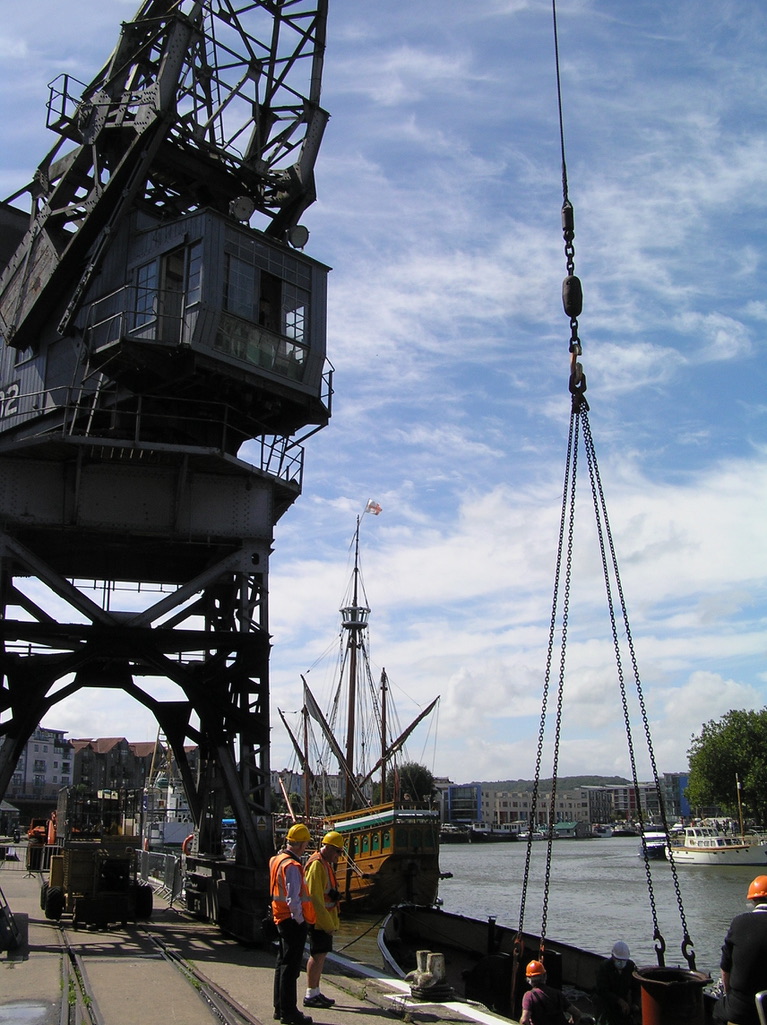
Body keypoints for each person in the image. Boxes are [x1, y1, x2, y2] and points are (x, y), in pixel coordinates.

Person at [270, 822, 317, 1025]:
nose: (306, 848)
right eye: (306, 844)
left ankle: (279, 1008)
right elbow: (293, 899)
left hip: (279, 916)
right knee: (291, 967)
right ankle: (289, 1012)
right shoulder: (292, 866)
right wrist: (300, 921)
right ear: (301, 844)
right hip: (291, 920)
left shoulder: (276, 860)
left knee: (282, 963)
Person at [713, 874, 767, 1025]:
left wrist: (729, 994)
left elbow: (725, 969)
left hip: (742, 1011)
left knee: (716, 1010)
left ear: (753, 900)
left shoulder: (739, 923)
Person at [303, 830, 344, 1009]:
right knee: (317, 955)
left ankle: (315, 991)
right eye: (338, 852)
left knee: (321, 956)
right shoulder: (317, 865)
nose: (338, 856)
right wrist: (327, 924)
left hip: (324, 920)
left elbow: (323, 893)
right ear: (329, 848)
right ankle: (311, 994)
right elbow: (315, 898)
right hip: (320, 922)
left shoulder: (325, 864)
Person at [520, 959, 595, 1024]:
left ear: (528, 979)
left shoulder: (529, 996)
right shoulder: (557, 993)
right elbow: (577, 1014)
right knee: (587, 1020)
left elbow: (524, 1020)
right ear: (545, 975)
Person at [594, 941, 639, 1025]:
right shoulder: (605, 966)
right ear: (612, 956)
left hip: (623, 1004)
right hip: (606, 1004)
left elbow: (635, 987)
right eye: (618, 960)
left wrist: (634, 1003)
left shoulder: (630, 966)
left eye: (623, 960)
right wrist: (619, 1001)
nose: (621, 962)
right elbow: (602, 990)